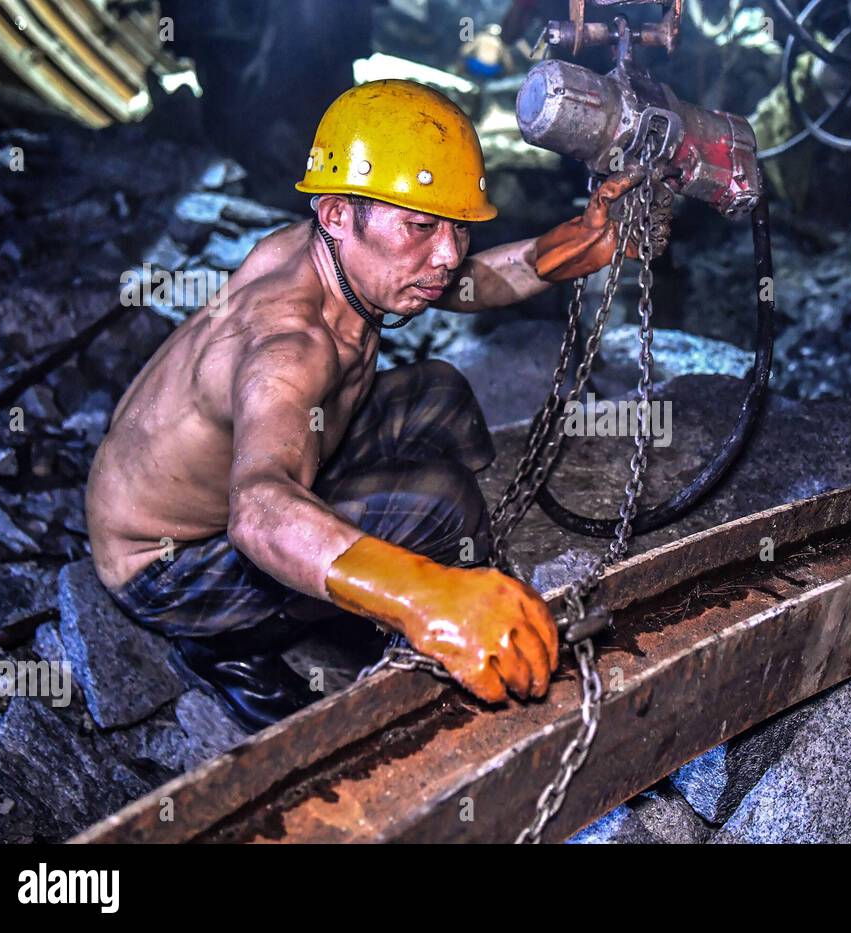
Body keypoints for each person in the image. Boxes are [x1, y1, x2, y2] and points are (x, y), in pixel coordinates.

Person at [86, 79, 650, 731]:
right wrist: (425, 596)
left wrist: (567, 248)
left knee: (440, 393)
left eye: (457, 227)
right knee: (439, 500)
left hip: (235, 472)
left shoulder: (334, 253)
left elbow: (463, 284)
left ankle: (462, 555)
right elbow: (259, 511)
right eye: (421, 226)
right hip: (169, 564)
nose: (447, 253)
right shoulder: (288, 345)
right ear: (335, 213)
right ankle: (230, 646)